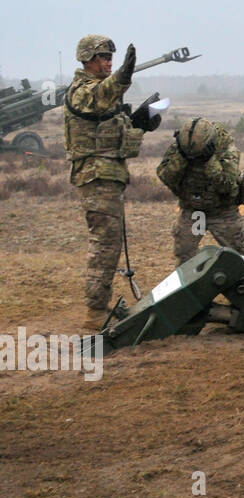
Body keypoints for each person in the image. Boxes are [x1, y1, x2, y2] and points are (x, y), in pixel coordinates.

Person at [63, 35, 159, 328]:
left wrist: (138, 124)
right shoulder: (82, 92)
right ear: (88, 59)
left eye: (110, 58)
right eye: (103, 57)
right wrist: (123, 76)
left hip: (107, 176)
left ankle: (98, 307)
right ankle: (94, 312)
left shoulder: (100, 94)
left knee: (110, 241)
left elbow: (110, 125)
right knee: (104, 243)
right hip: (96, 177)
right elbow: (103, 95)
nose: (108, 61)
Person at [157, 117, 244, 264]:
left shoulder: (225, 148)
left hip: (222, 211)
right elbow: (166, 176)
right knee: (184, 254)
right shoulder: (183, 146)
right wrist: (182, 157)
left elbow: (226, 185)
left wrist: (209, 161)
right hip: (193, 210)